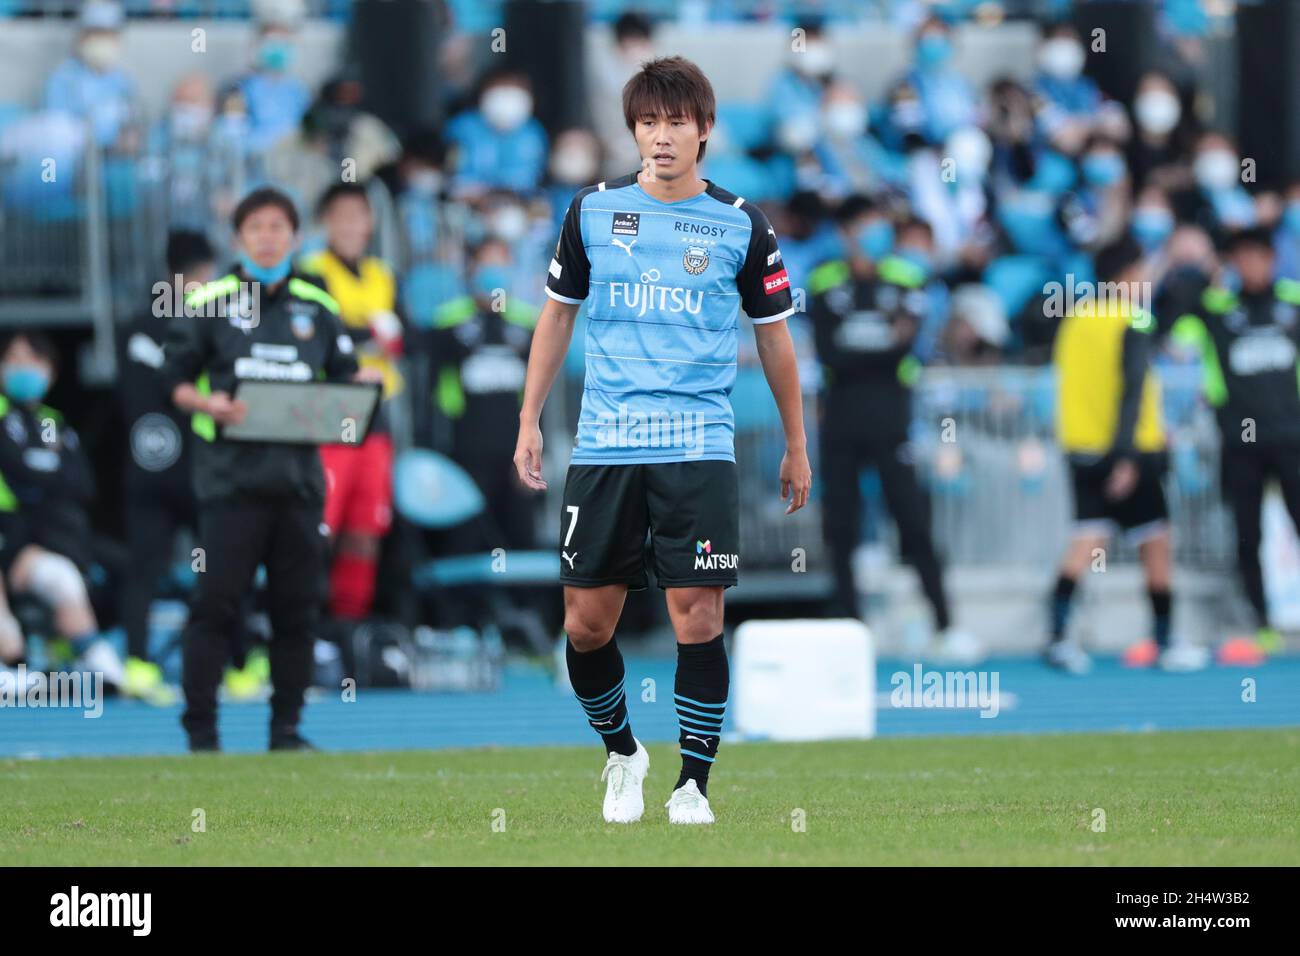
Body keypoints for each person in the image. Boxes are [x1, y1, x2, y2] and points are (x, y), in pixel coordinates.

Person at [513, 56, 811, 825]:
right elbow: (555, 317)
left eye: (677, 121)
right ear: (634, 130)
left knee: (699, 616)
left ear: (704, 129)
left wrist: (795, 443)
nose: (662, 136)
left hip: (699, 443)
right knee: (585, 623)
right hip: (606, 444)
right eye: (648, 122)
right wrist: (528, 420)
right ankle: (622, 751)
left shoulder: (743, 224)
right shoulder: (591, 211)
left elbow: (775, 340)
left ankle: (693, 785)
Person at [161, 186, 373, 752]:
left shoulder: (318, 305)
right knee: (215, 606)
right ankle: (201, 733)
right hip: (230, 485)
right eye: (256, 227)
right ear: (239, 238)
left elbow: (345, 379)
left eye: (279, 226)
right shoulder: (211, 300)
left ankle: (286, 730)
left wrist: (360, 392)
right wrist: (208, 404)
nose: (268, 236)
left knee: (297, 611)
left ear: (296, 237)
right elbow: (175, 380)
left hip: (300, 486)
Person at [807, 196, 979, 663]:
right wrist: (882, 340)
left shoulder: (908, 278)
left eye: (880, 225)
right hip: (841, 416)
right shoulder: (823, 280)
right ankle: (849, 629)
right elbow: (831, 353)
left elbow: (903, 350)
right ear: (847, 232)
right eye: (866, 225)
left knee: (913, 520)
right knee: (839, 527)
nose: (875, 234)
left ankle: (945, 626)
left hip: (891, 416)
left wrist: (870, 345)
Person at [1045, 237, 1209, 674]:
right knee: (1155, 543)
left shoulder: (1076, 319)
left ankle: (1059, 637)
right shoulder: (1133, 318)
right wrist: (1127, 458)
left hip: (1080, 449)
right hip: (1129, 451)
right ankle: (1164, 639)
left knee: (1085, 541)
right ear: (1128, 275)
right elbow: (1132, 390)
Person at [1171, 227, 1300, 656]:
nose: (1251, 265)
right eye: (1240, 258)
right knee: (1247, 535)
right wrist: (1206, 272)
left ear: (1272, 259)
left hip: (1293, 438)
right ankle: (1261, 622)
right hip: (1240, 443)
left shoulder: (1293, 302)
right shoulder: (1215, 308)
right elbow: (1168, 324)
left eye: (1258, 256)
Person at [299, 183, 401, 652]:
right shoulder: (311, 274)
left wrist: (386, 336)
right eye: (340, 216)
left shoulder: (382, 275)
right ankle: (307, 630)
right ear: (326, 223)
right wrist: (370, 334)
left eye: (358, 216)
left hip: (376, 420)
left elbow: (409, 337)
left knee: (365, 532)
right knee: (323, 527)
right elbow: (320, 331)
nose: (350, 226)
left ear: (370, 222)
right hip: (331, 414)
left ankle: (348, 631)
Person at [117, 230, 215, 701]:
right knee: (216, 569)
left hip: (149, 465)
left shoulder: (138, 322)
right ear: (198, 273)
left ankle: (138, 665)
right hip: (193, 469)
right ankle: (230, 669)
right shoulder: (205, 322)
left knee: (146, 569)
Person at [0, 331, 125, 689]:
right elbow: (18, 468)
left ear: (51, 371)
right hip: (8, 531)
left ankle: (98, 663)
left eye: (33, 361)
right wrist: (44, 470)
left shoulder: (51, 422)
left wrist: (39, 472)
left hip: (38, 535)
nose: (23, 369)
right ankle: (13, 661)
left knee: (68, 576)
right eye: (14, 360)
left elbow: (79, 483)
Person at [430, 237, 537, 551]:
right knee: (466, 535)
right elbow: (433, 390)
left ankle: (522, 600)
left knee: (520, 534)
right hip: (466, 448)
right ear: (471, 269)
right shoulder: (447, 321)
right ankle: (467, 601)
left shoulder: (529, 322)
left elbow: (538, 393)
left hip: (516, 450)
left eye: (500, 263)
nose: (493, 272)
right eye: (486, 263)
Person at [43, 0, 137, 151]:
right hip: (74, 165)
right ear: (81, 38)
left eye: (108, 34)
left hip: (113, 165)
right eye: (96, 33)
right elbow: (55, 135)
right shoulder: (63, 79)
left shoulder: (122, 81)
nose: (102, 41)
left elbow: (133, 126)